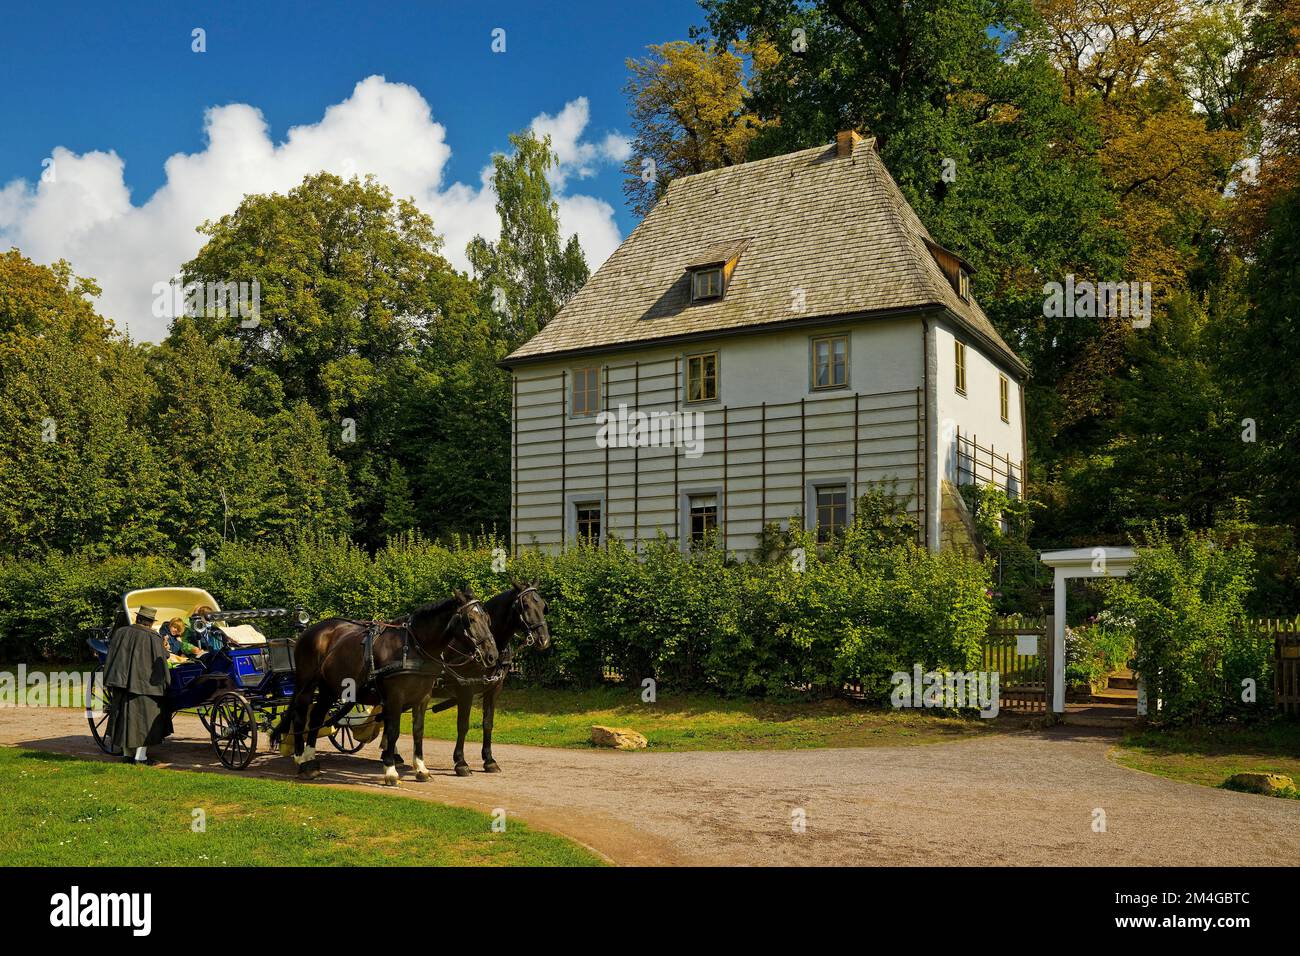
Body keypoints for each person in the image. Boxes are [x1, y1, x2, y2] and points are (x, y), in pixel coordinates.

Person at [103, 606, 173, 765]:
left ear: (137, 619)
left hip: (121, 683)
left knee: (124, 720)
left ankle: (127, 755)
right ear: (150, 623)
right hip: (145, 686)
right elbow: (161, 658)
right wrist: (166, 649)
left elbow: (112, 656)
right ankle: (140, 757)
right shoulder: (153, 637)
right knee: (145, 722)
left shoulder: (120, 633)